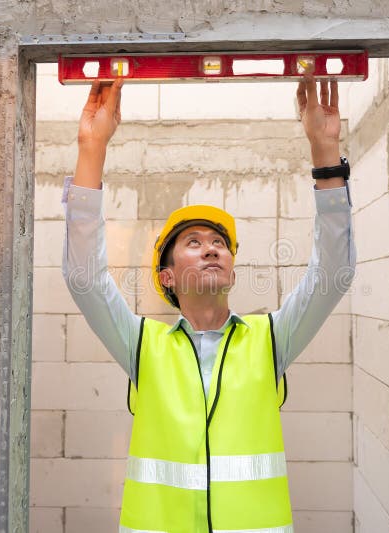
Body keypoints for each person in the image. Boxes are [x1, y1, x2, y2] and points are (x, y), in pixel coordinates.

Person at [62, 66, 356, 533]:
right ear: (168, 275)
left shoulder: (269, 339)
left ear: (233, 271)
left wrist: (326, 157)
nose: (212, 247)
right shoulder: (144, 346)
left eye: (219, 242)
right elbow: (84, 278)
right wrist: (91, 149)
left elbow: (333, 274)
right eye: (193, 243)